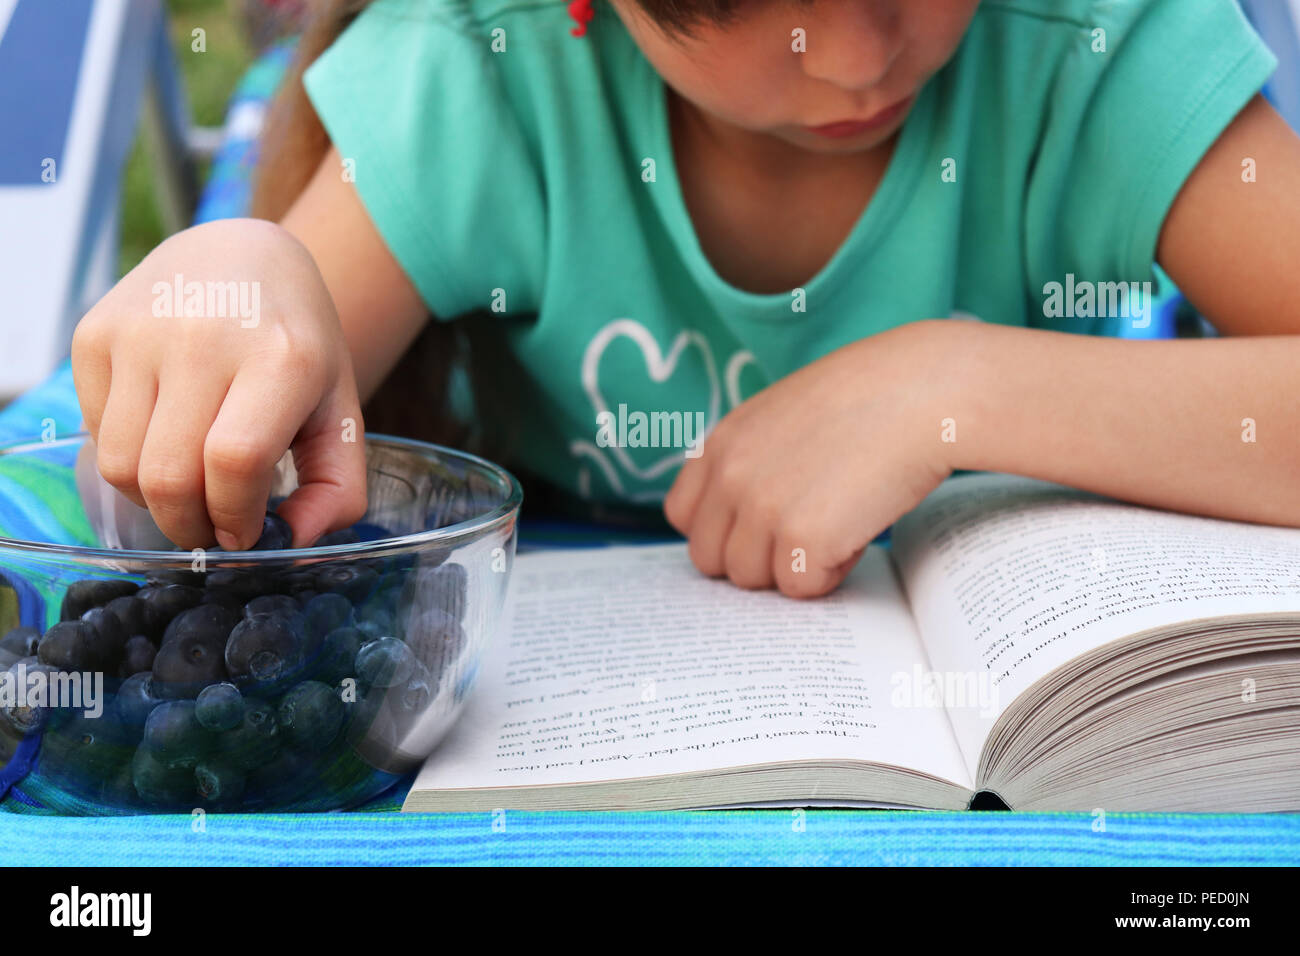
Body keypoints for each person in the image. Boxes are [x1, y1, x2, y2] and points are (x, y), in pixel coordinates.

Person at [71, 0, 1300, 597]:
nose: (865, 53)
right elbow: (151, 502)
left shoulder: (1086, 37)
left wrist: (956, 385)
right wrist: (231, 286)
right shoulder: (485, 72)